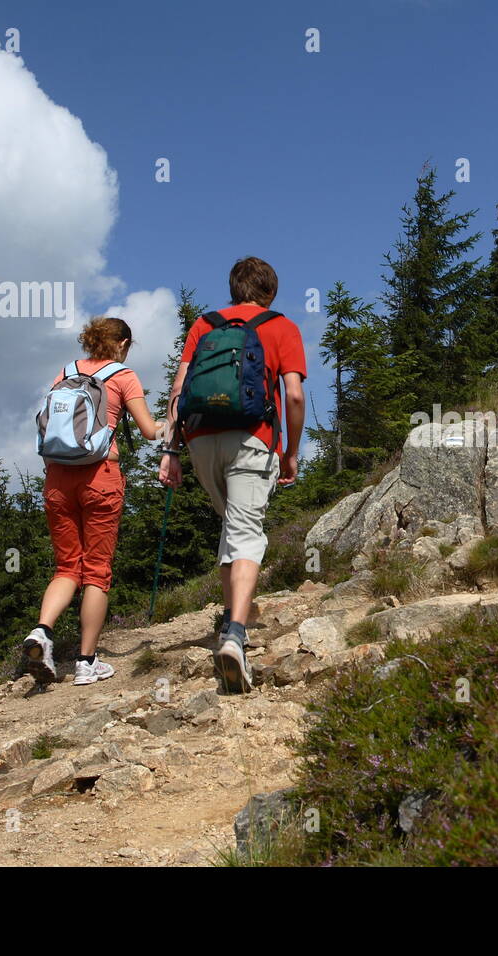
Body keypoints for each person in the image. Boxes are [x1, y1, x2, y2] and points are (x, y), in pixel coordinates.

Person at [159, 256, 306, 693]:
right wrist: (291, 453)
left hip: (201, 440)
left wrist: (170, 451)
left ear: (233, 288)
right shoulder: (281, 326)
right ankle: (237, 636)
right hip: (252, 436)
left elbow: (179, 390)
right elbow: (294, 396)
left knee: (230, 526)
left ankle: (228, 618)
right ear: (270, 292)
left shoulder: (206, 325)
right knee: (246, 532)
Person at [22, 317, 162, 686]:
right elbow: (149, 432)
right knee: (97, 571)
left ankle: (42, 631)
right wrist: (172, 421)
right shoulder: (124, 375)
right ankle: (86, 662)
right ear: (124, 343)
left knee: (67, 567)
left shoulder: (66, 372)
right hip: (100, 477)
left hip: (57, 478)